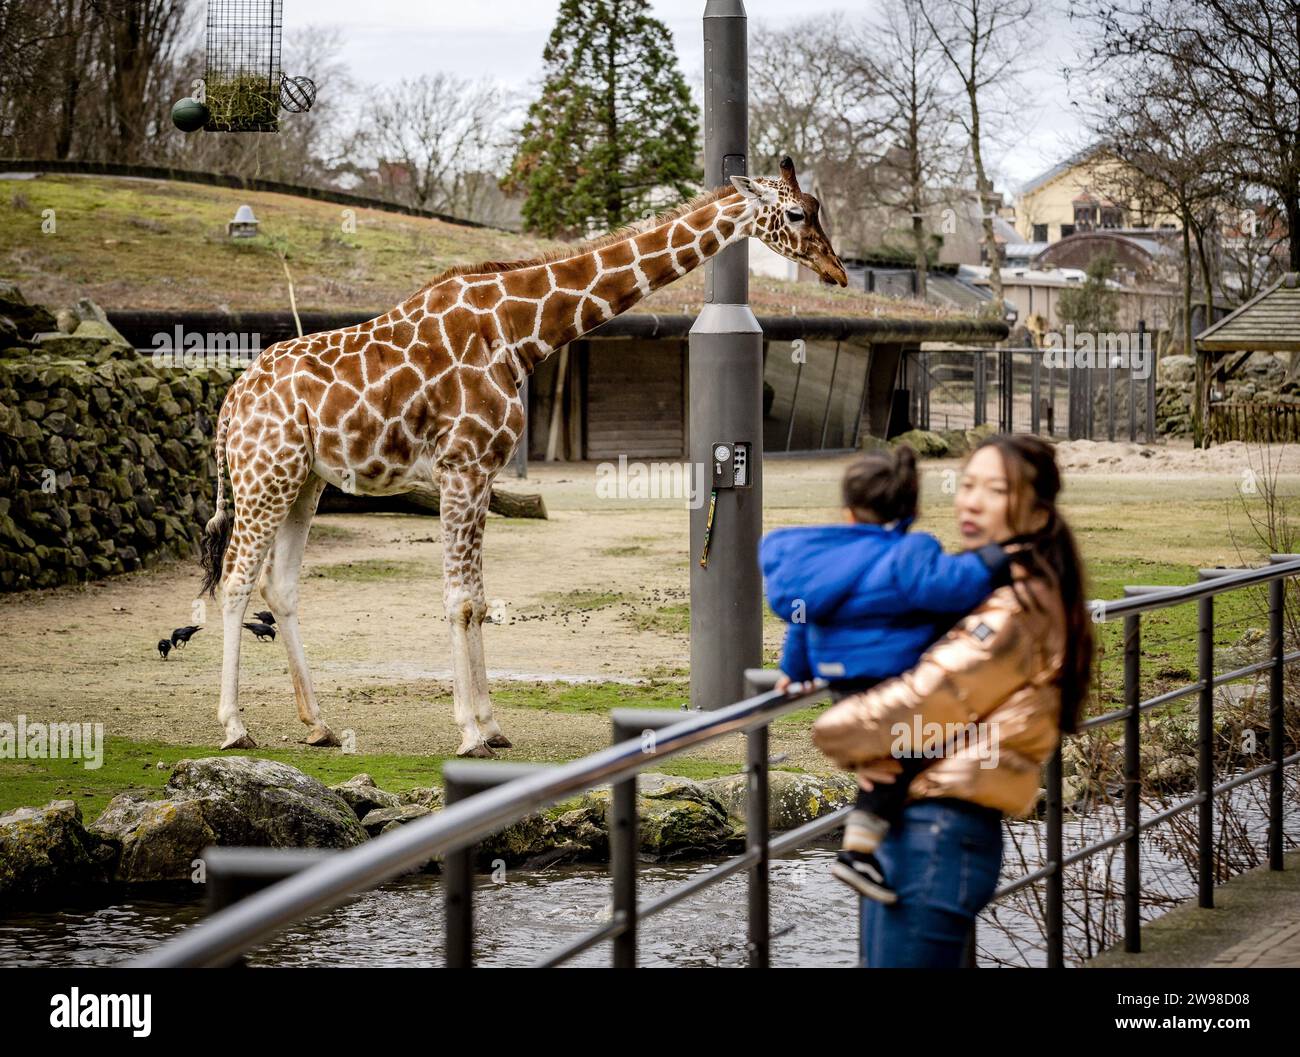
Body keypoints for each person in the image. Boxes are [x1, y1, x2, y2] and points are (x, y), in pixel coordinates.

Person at [811, 433, 1093, 968]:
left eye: (995, 489)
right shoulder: (1003, 585)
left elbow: (925, 701)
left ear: (1036, 508)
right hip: (925, 824)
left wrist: (836, 733)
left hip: (936, 836)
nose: (971, 500)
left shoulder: (1013, 611)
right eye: (967, 485)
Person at [759, 444, 1013, 903]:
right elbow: (950, 589)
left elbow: (806, 618)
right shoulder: (909, 553)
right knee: (922, 752)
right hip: (890, 680)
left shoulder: (820, 559)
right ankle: (860, 853)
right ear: (911, 510)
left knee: (887, 764)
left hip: (842, 684)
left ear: (848, 511)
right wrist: (992, 560)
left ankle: (860, 848)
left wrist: (791, 671)